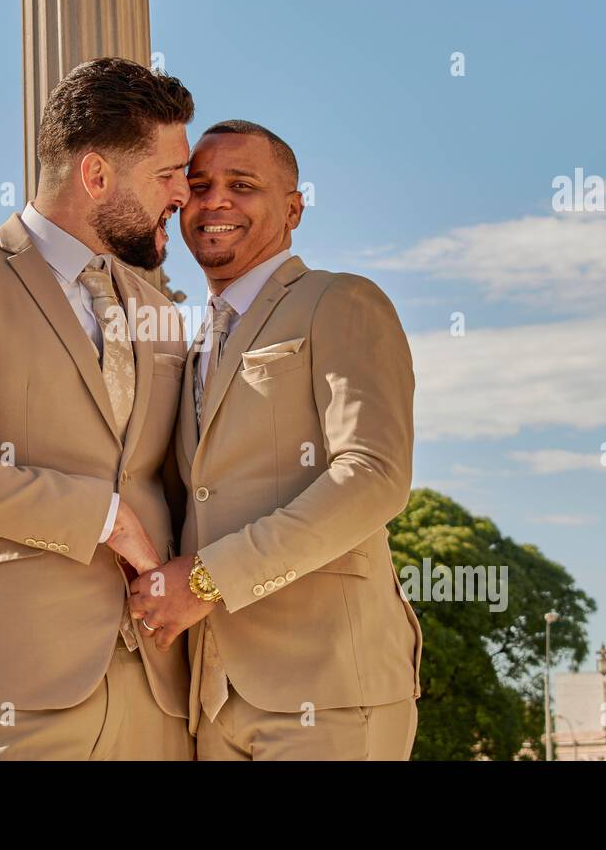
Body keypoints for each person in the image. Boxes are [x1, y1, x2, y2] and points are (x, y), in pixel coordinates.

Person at [0, 57, 196, 759]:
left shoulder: (163, 314)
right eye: (167, 174)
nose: (186, 192)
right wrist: (104, 518)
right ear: (96, 176)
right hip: (10, 680)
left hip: (155, 686)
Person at [129, 120, 423, 759]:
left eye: (243, 185)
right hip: (211, 699)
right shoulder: (189, 341)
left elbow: (373, 477)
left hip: (333, 688)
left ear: (294, 207)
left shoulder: (340, 301)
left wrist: (206, 579)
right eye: (199, 185)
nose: (216, 202)